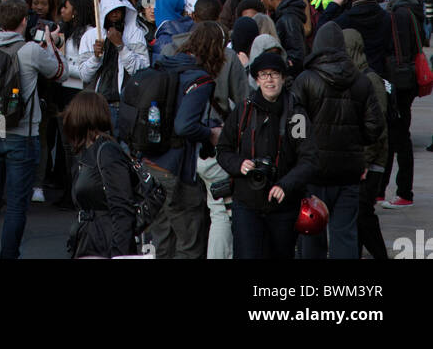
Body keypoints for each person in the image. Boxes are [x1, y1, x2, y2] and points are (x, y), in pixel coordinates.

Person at [0, 0, 66, 258]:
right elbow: (59, 72)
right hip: (22, 134)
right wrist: (51, 43)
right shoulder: (30, 50)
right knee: (16, 204)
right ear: (25, 21)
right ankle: (9, 255)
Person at [291, 22, 386, 259]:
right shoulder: (361, 81)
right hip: (349, 173)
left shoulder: (305, 80)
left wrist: (301, 151)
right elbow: (376, 126)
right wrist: (357, 142)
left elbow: (295, 125)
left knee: (312, 231)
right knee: (345, 234)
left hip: (313, 171)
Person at [216, 50, 318, 259]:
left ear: (283, 77)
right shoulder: (244, 111)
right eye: (264, 74)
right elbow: (223, 150)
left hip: (283, 205)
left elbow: (309, 158)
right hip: (247, 203)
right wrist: (239, 164)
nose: (269, 80)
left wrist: (285, 185)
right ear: (256, 79)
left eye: (274, 74)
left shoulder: (295, 114)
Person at [148, 21, 224, 260]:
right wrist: (210, 134)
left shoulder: (166, 66)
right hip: (177, 169)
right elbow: (185, 126)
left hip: (151, 163)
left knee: (163, 241)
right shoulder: (200, 79)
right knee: (190, 242)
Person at [65, 91, 139, 258]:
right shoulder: (87, 152)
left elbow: (122, 209)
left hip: (105, 243)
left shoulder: (107, 152)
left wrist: (119, 254)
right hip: (90, 240)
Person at [342, 29, 389, 260]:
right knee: (357, 213)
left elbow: (377, 126)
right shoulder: (355, 78)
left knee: (363, 213)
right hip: (361, 160)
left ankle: (379, 253)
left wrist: (365, 161)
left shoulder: (370, 80)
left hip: (370, 163)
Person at [381, 0, 425, 207]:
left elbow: (398, 50)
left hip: (399, 82)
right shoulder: (410, 8)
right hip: (406, 81)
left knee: (398, 138)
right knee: (394, 136)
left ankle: (403, 192)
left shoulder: (398, 12)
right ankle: (385, 188)